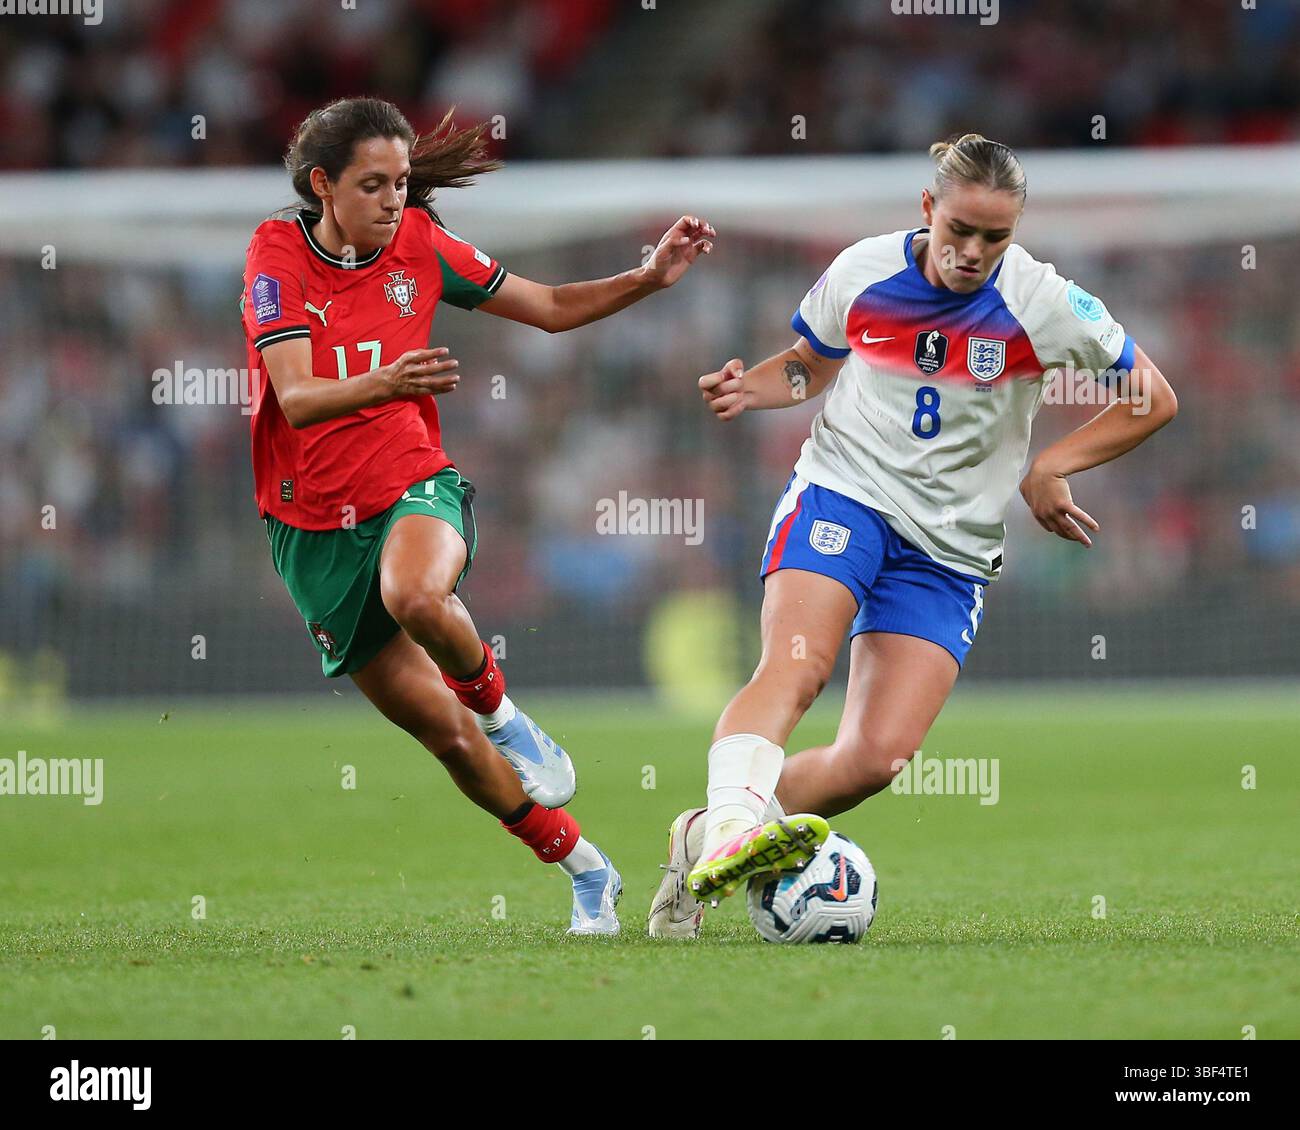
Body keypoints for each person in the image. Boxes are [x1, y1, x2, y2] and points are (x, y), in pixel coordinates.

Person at [649, 133, 1177, 938]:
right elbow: (807, 364)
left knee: (876, 759)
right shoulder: (863, 270)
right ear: (928, 209)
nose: (972, 251)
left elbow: (1153, 397)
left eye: (994, 237)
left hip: (950, 548)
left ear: (1015, 233)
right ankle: (732, 825)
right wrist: (749, 389)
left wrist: (1051, 467)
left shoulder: (1042, 301)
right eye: (959, 229)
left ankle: (702, 836)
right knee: (796, 668)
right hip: (844, 493)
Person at [239, 97, 715, 935]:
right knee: (447, 742)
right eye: (375, 185)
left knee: (417, 596)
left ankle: (508, 718)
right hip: (307, 525)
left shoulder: (420, 245)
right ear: (322, 185)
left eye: (403, 182)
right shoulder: (277, 255)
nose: (396, 201)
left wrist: (646, 276)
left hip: (409, 483)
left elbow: (551, 305)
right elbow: (299, 398)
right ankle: (586, 869)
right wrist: (388, 381)